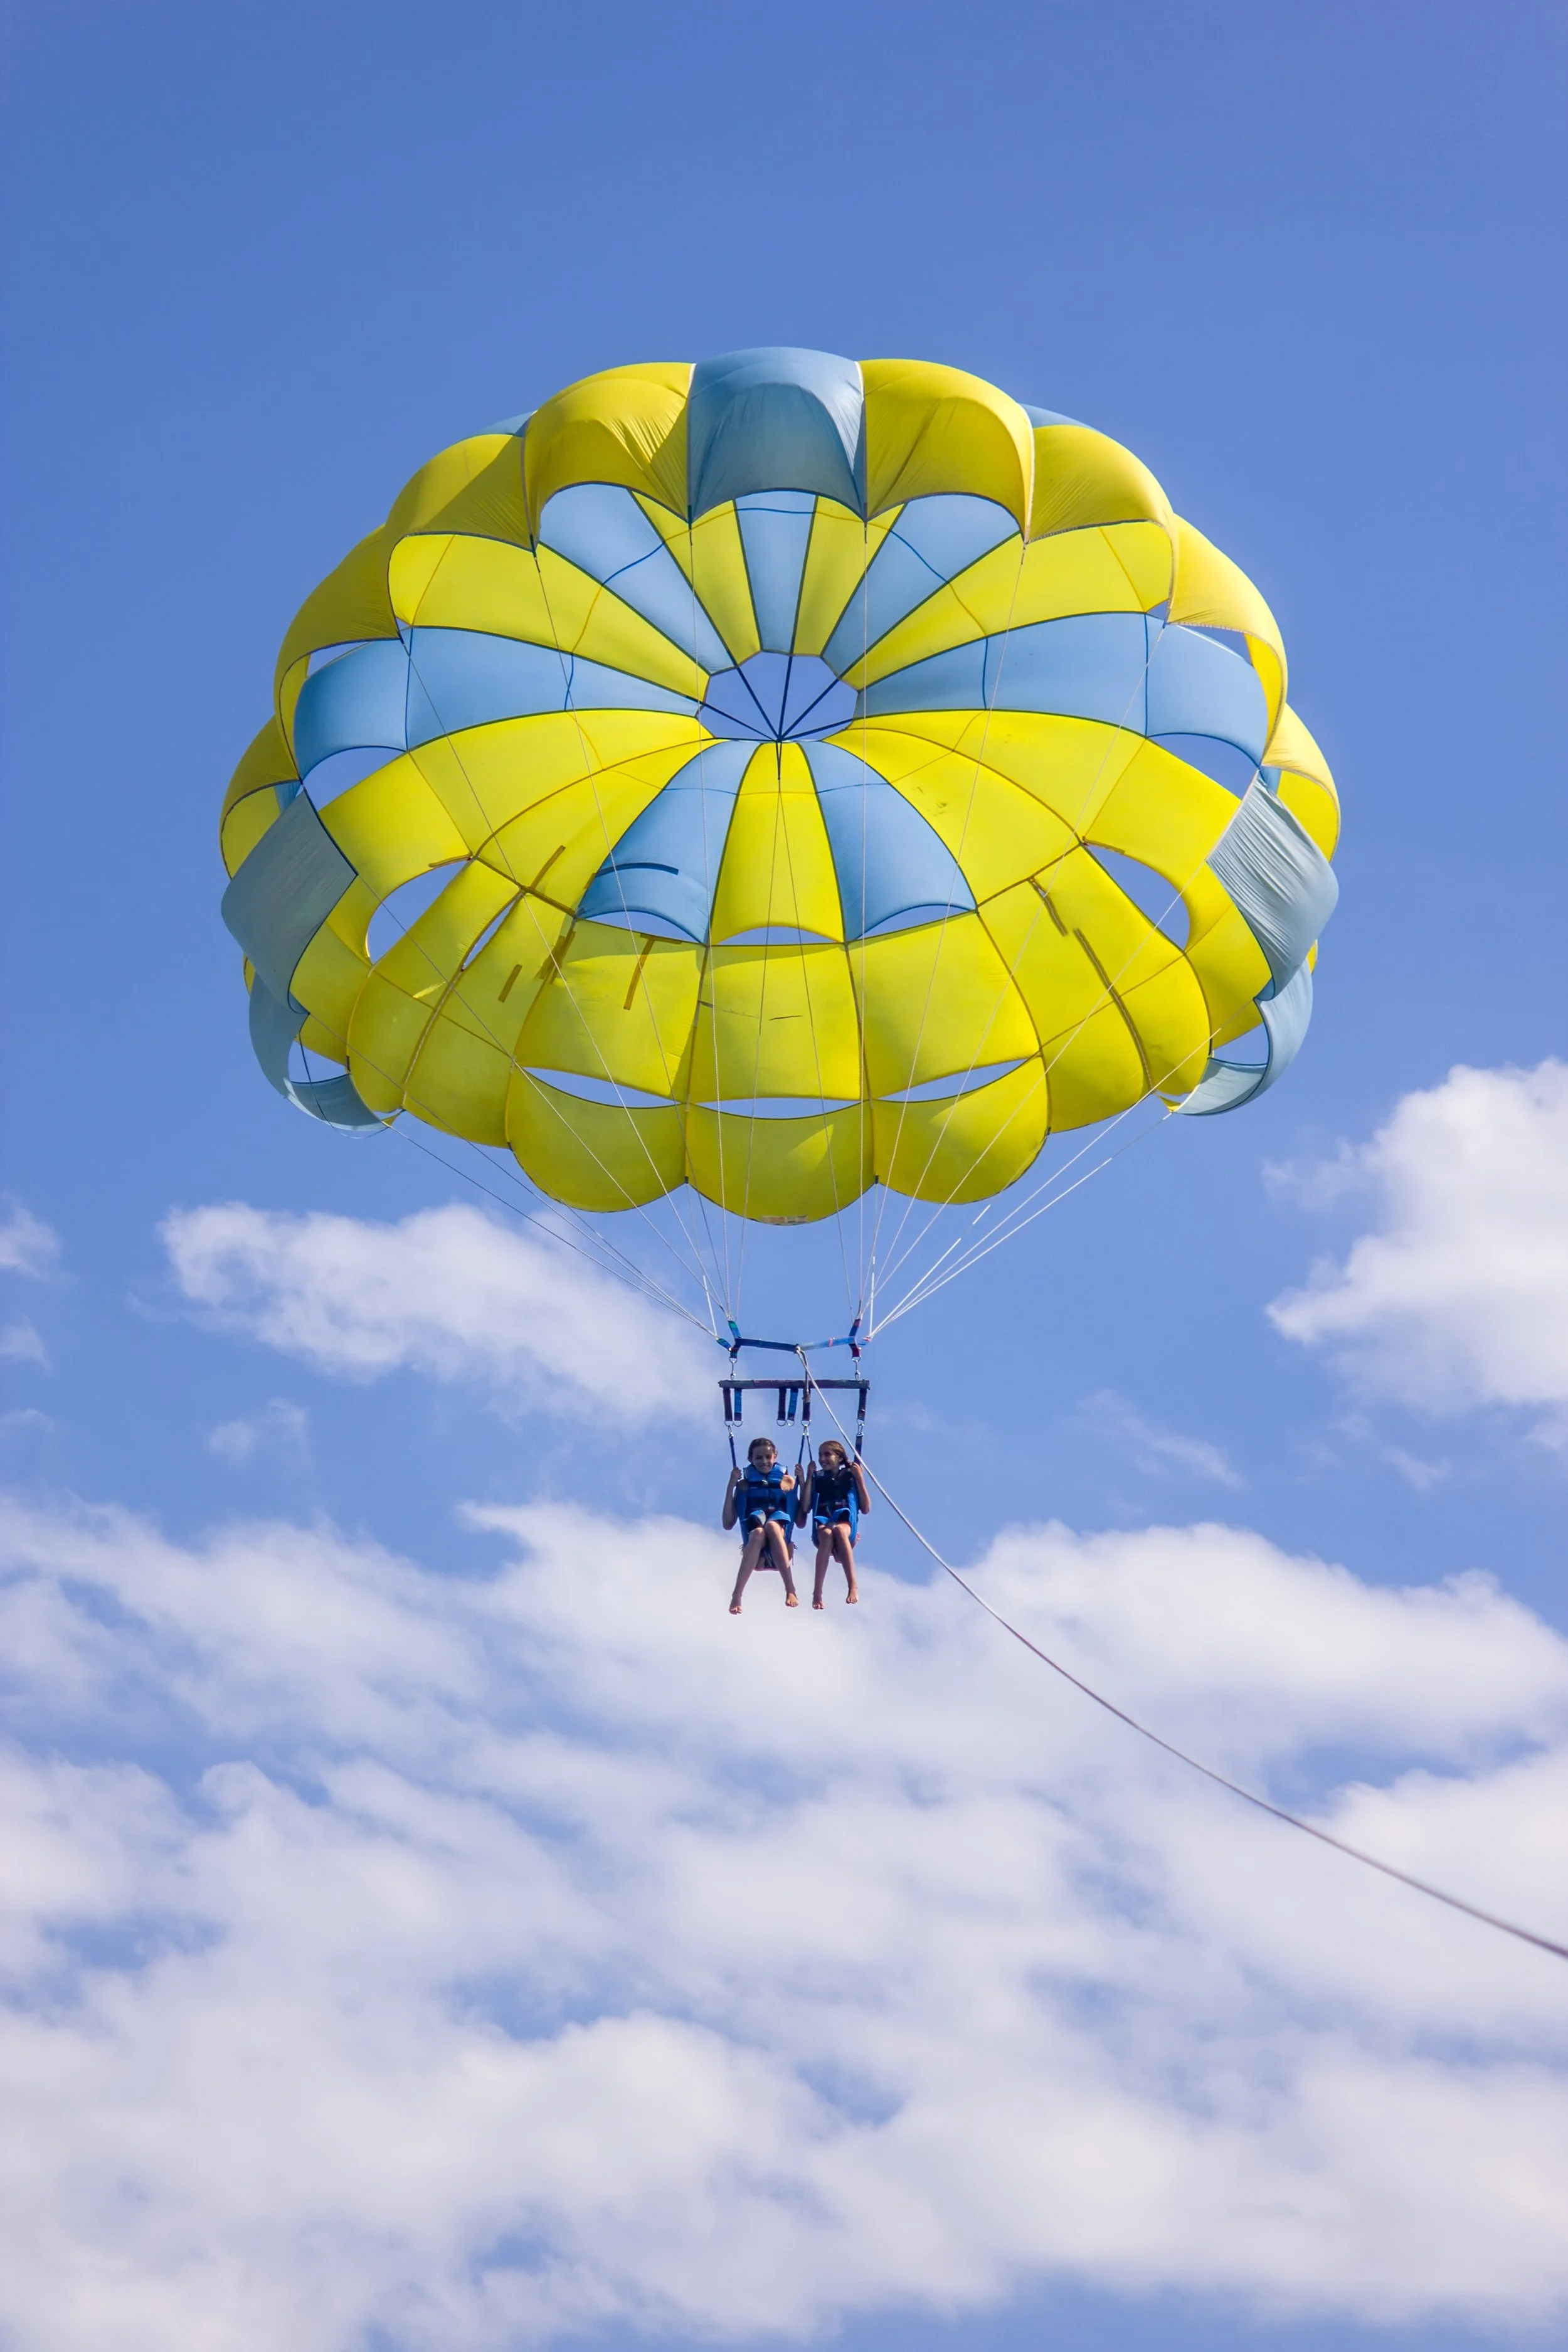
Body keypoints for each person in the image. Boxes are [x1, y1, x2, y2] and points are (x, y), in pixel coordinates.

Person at [723, 1436, 799, 1613]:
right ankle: (737, 1594)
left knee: (772, 1526)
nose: (764, 1461)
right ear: (751, 1460)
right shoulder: (745, 1486)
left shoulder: (787, 1482)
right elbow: (728, 1523)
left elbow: (800, 1520)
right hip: (757, 1552)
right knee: (758, 1533)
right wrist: (731, 1486)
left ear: (775, 1456)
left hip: (780, 1540)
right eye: (759, 1458)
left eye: (768, 1457)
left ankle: (790, 1588)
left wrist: (802, 1482)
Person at [798, 1438, 869, 1608]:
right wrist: (808, 1477)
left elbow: (865, 1508)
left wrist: (860, 1479)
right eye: (820, 1455)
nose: (822, 1459)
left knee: (838, 1531)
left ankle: (852, 1585)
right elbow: (806, 1507)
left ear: (839, 1457)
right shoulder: (818, 1478)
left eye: (827, 1454)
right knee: (828, 1534)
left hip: (845, 1523)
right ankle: (818, 1592)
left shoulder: (850, 1477)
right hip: (823, 1523)